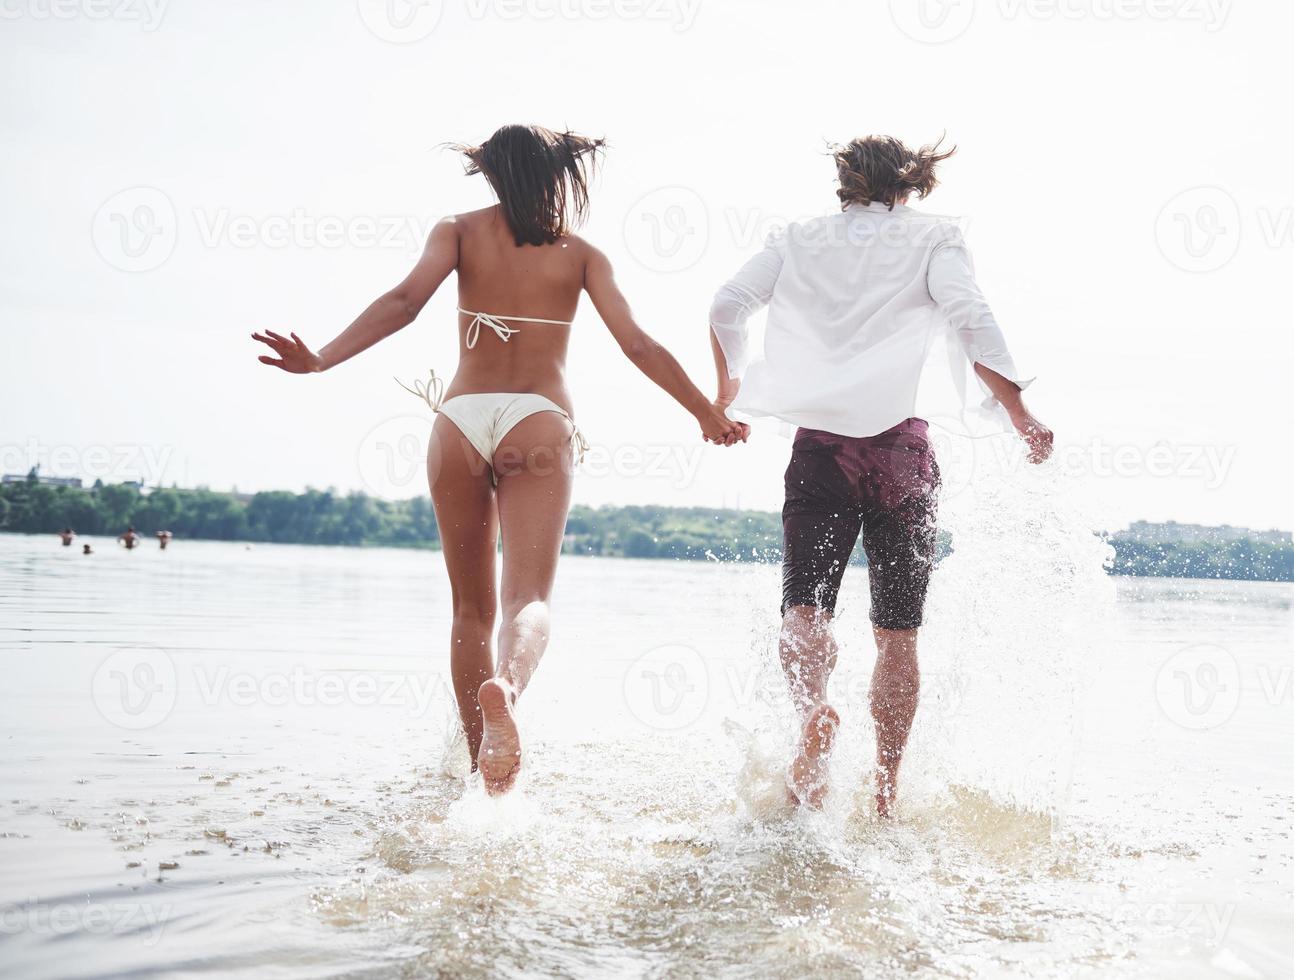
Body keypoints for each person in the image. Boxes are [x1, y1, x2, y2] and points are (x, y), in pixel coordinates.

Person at [253, 124, 745, 795]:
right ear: (553, 177)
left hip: (459, 419)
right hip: (537, 419)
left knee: (468, 612)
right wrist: (703, 411)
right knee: (529, 598)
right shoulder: (581, 256)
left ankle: (480, 763)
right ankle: (506, 691)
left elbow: (402, 304)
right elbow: (635, 344)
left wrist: (320, 361)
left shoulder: (455, 232)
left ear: (490, 174)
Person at [708, 135, 1054, 818]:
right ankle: (887, 792)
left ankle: (812, 715)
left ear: (842, 182)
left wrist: (727, 390)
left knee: (804, 611)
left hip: (820, 451)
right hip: (899, 453)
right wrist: (1017, 410)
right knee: (896, 634)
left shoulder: (796, 238)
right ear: (913, 182)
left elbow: (726, 305)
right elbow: (970, 316)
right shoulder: (934, 238)